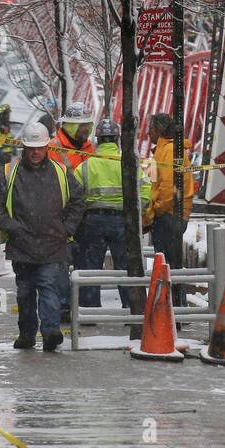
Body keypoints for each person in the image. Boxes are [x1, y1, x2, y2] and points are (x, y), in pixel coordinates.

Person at [0, 122, 84, 351]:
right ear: (24, 148)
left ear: (47, 146)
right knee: (26, 293)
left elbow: (78, 199)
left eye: (39, 147)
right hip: (23, 245)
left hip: (52, 243)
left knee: (49, 287)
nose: (35, 152)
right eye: (31, 148)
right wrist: (12, 226)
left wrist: (66, 228)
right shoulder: (10, 173)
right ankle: (27, 334)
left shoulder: (60, 171)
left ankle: (50, 331)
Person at [73, 120, 151, 309]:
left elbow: (73, 196)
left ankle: (89, 311)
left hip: (92, 221)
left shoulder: (85, 166)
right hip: (123, 221)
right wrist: (136, 212)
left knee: (90, 269)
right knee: (127, 267)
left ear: (97, 140)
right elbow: (146, 191)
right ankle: (132, 309)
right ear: (117, 139)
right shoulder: (129, 164)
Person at [145, 113, 196, 307]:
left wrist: (157, 209)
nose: (148, 133)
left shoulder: (169, 151)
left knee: (169, 265)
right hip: (171, 214)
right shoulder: (165, 150)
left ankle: (174, 307)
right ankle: (174, 306)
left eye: (150, 129)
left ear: (158, 131)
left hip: (168, 216)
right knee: (171, 264)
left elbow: (167, 188)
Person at [50, 102, 94, 172]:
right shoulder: (53, 148)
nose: (86, 128)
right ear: (69, 126)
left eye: (88, 125)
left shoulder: (88, 146)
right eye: (82, 125)